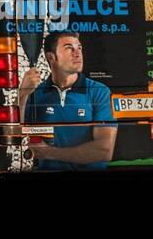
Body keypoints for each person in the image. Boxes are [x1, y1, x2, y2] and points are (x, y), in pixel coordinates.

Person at [18, 31, 116, 170]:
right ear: (51, 57)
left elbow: (104, 151)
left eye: (79, 48)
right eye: (69, 48)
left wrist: (49, 153)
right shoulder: (35, 93)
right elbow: (16, 135)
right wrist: (22, 95)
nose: (77, 54)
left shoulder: (99, 92)